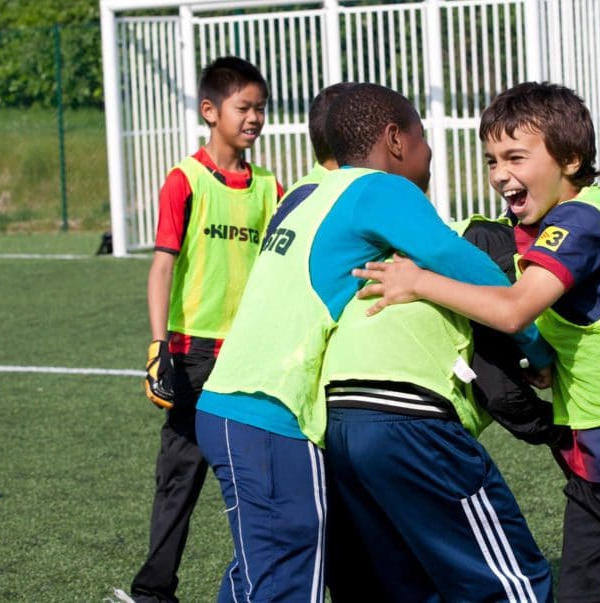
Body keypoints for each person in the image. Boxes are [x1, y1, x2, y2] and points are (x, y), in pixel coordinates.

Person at [194, 82, 554, 602]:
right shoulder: (380, 191)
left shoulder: (304, 192)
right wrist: (536, 346)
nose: (429, 152)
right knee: (287, 584)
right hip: (273, 406)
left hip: (228, 399)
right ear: (395, 140)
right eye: (423, 137)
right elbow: (467, 266)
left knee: (262, 572)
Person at [354, 81, 600, 603]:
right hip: (592, 455)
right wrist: (545, 359)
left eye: (516, 157)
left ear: (569, 158)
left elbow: (515, 307)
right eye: (492, 159)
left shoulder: (583, 220)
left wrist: (418, 281)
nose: (500, 174)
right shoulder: (541, 224)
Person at [321, 214, 559, 601]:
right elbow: (499, 390)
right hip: (406, 417)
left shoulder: (418, 241)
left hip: (334, 420)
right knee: (513, 585)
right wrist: (558, 432)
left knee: (405, 583)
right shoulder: (490, 253)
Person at [127, 56, 281, 603]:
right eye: (245, 107)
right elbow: (163, 265)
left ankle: (269, 584)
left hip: (249, 356)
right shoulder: (184, 180)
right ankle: (153, 592)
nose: (255, 118)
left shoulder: (270, 186)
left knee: (261, 477)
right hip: (192, 356)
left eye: (261, 108)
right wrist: (158, 346)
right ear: (210, 111)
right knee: (179, 480)